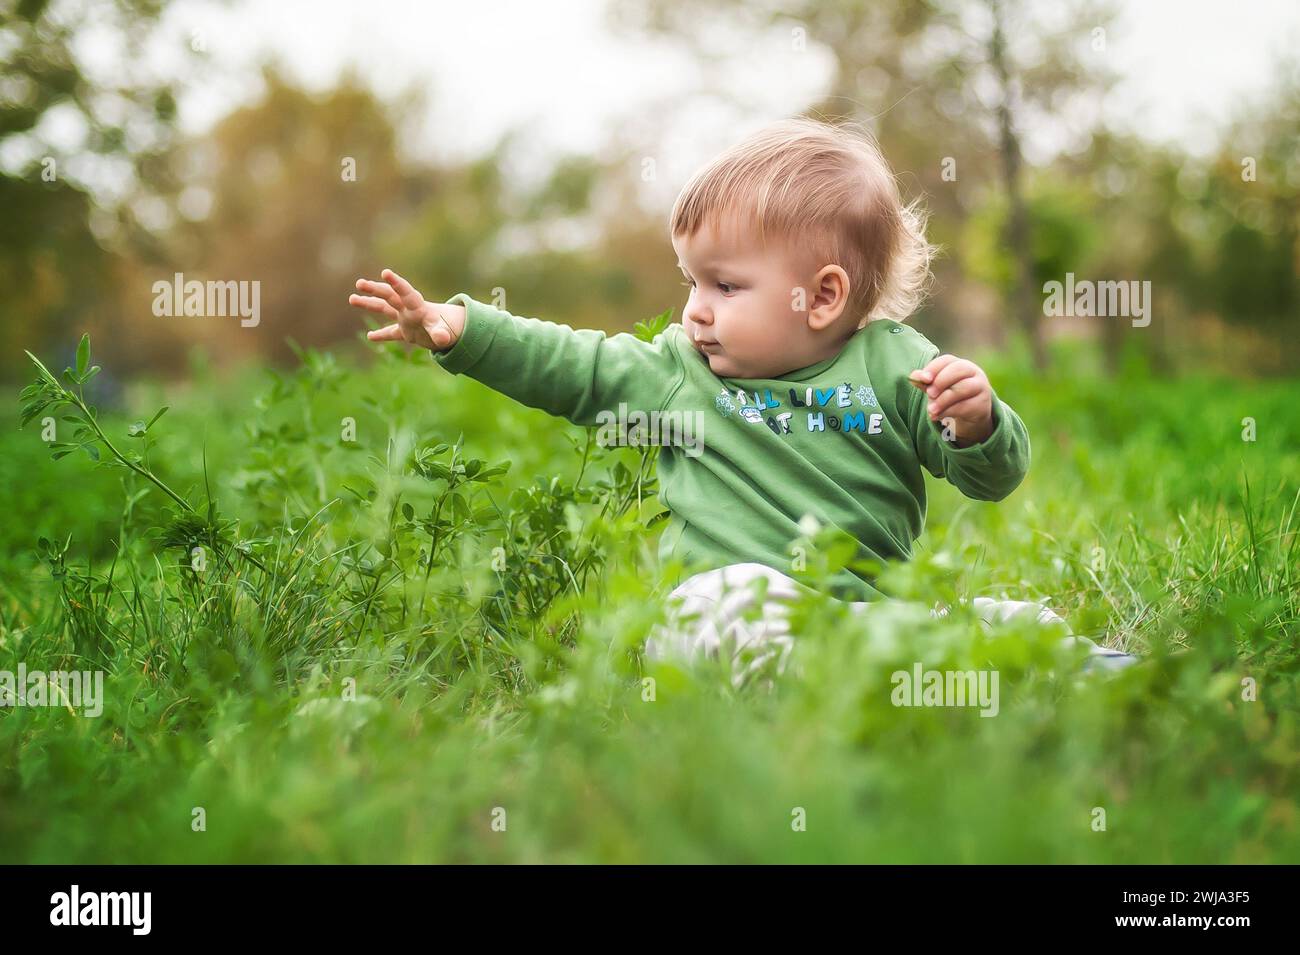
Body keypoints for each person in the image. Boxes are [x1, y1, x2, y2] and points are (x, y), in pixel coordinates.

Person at [348, 116, 1139, 686]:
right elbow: (576, 366)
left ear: (821, 297)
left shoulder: (895, 368)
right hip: (740, 622)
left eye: (725, 285)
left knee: (998, 616)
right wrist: (462, 330)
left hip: (870, 618)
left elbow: (989, 479)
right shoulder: (679, 374)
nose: (695, 307)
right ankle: (943, 677)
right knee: (719, 606)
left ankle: (1059, 668)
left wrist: (977, 424)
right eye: (691, 280)